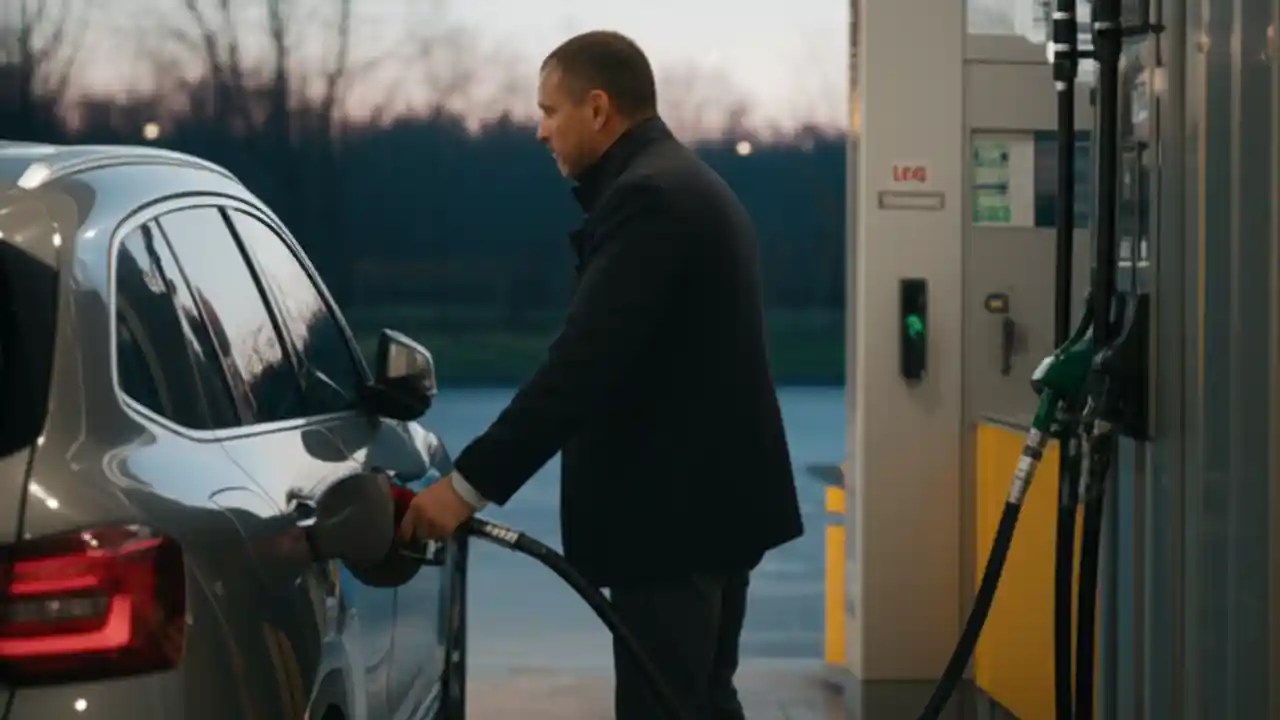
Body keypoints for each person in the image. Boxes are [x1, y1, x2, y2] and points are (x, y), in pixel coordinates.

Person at [397, 29, 804, 719]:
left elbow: (583, 366)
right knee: (700, 699)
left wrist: (464, 488)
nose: (539, 131)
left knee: (667, 706)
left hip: (675, 525)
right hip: (711, 514)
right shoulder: (685, 184)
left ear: (597, 108)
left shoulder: (650, 201)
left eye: (549, 111)